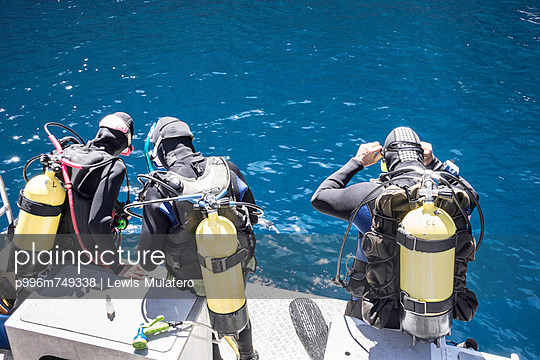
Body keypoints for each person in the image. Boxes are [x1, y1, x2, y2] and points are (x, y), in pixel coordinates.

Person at [311, 126, 478, 329]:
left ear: (385, 162)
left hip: (375, 311)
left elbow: (320, 197)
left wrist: (358, 162)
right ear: (420, 157)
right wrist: (435, 163)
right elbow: (472, 193)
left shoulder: (370, 196)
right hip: (434, 316)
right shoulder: (450, 199)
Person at [137, 117, 258, 360]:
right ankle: (248, 355)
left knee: (203, 325)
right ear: (190, 142)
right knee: (235, 303)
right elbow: (252, 217)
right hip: (236, 264)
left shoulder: (157, 189)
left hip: (189, 279)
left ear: (160, 149)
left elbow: (147, 260)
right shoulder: (227, 169)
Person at [56, 112, 146, 279]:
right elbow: (97, 222)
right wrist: (117, 266)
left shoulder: (69, 152)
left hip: (53, 246)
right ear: (124, 143)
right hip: (81, 254)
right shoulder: (113, 167)